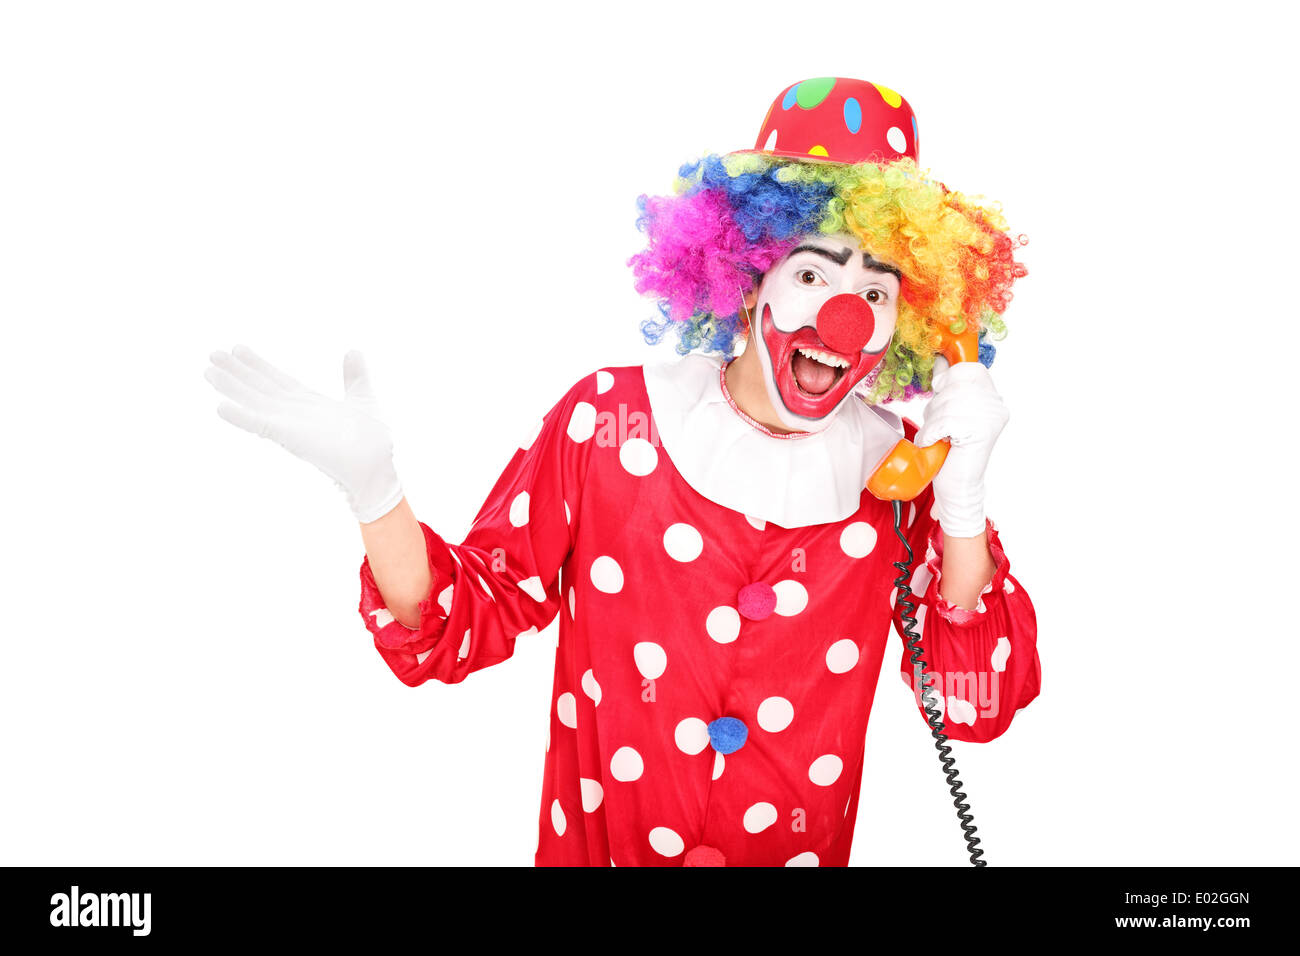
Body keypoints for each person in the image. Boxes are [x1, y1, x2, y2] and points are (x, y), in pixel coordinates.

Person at [205, 77, 1039, 866]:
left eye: (878, 292)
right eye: (813, 273)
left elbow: (973, 702)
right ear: (747, 281)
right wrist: (377, 492)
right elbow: (457, 629)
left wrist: (961, 503)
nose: (843, 316)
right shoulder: (607, 422)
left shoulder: (897, 477)